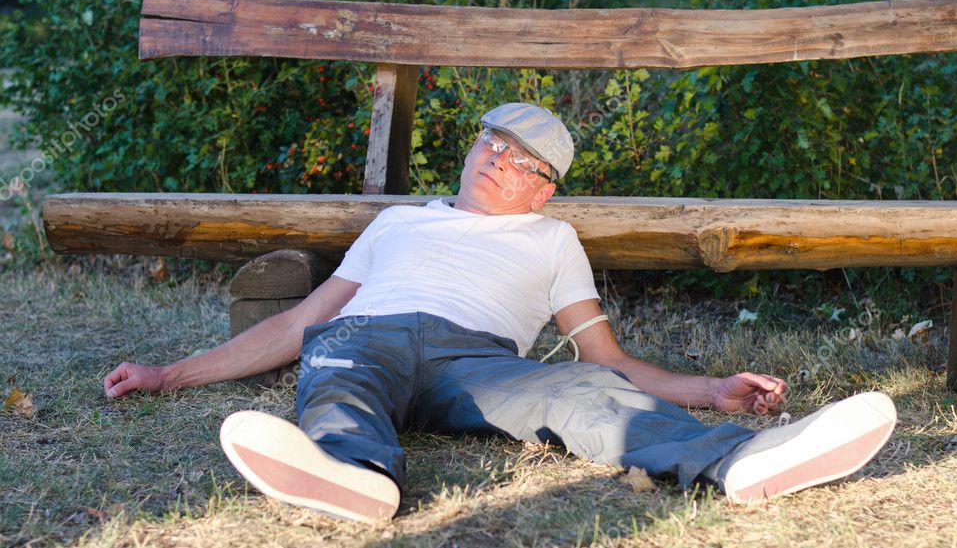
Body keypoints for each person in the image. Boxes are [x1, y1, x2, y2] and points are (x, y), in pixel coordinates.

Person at [103, 102, 897, 522]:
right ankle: (353, 475)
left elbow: (605, 360)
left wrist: (710, 389)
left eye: (519, 160)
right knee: (338, 374)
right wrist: (168, 374)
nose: (495, 158)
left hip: (478, 363)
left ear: (542, 189)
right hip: (366, 337)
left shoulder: (551, 238)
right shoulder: (397, 223)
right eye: (491, 140)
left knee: (586, 394)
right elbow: (294, 324)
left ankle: (740, 461)